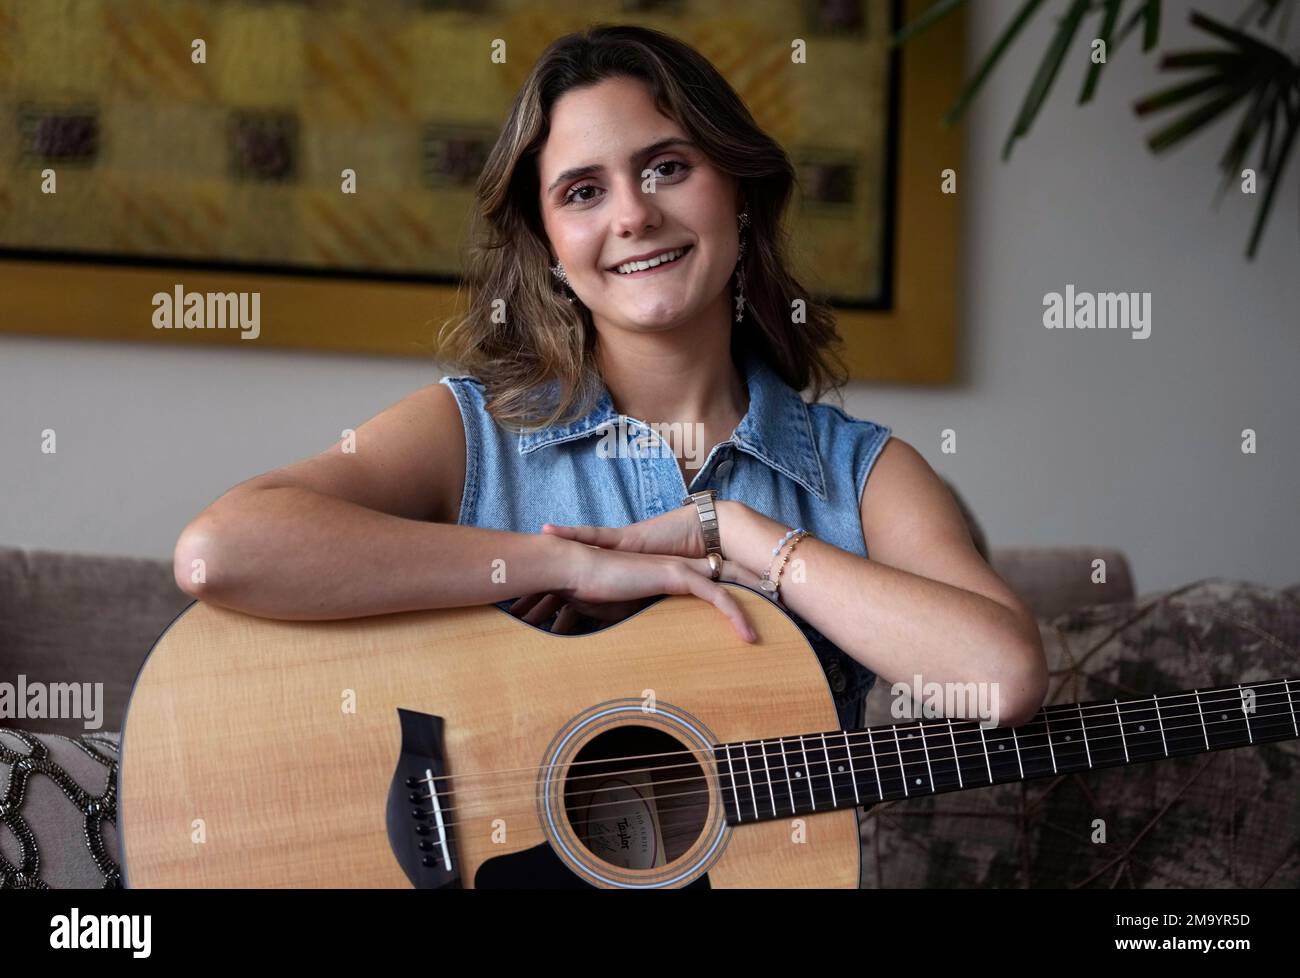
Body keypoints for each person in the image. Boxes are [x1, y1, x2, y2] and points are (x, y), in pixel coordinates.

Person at [174, 24, 1046, 733]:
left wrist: (736, 534)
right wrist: (563, 565)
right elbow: (223, 551)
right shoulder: (470, 435)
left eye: (668, 167)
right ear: (548, 245)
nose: (633, 215)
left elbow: (1001, 680)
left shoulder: (864, 476)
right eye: (583, 192)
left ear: (737, 193)